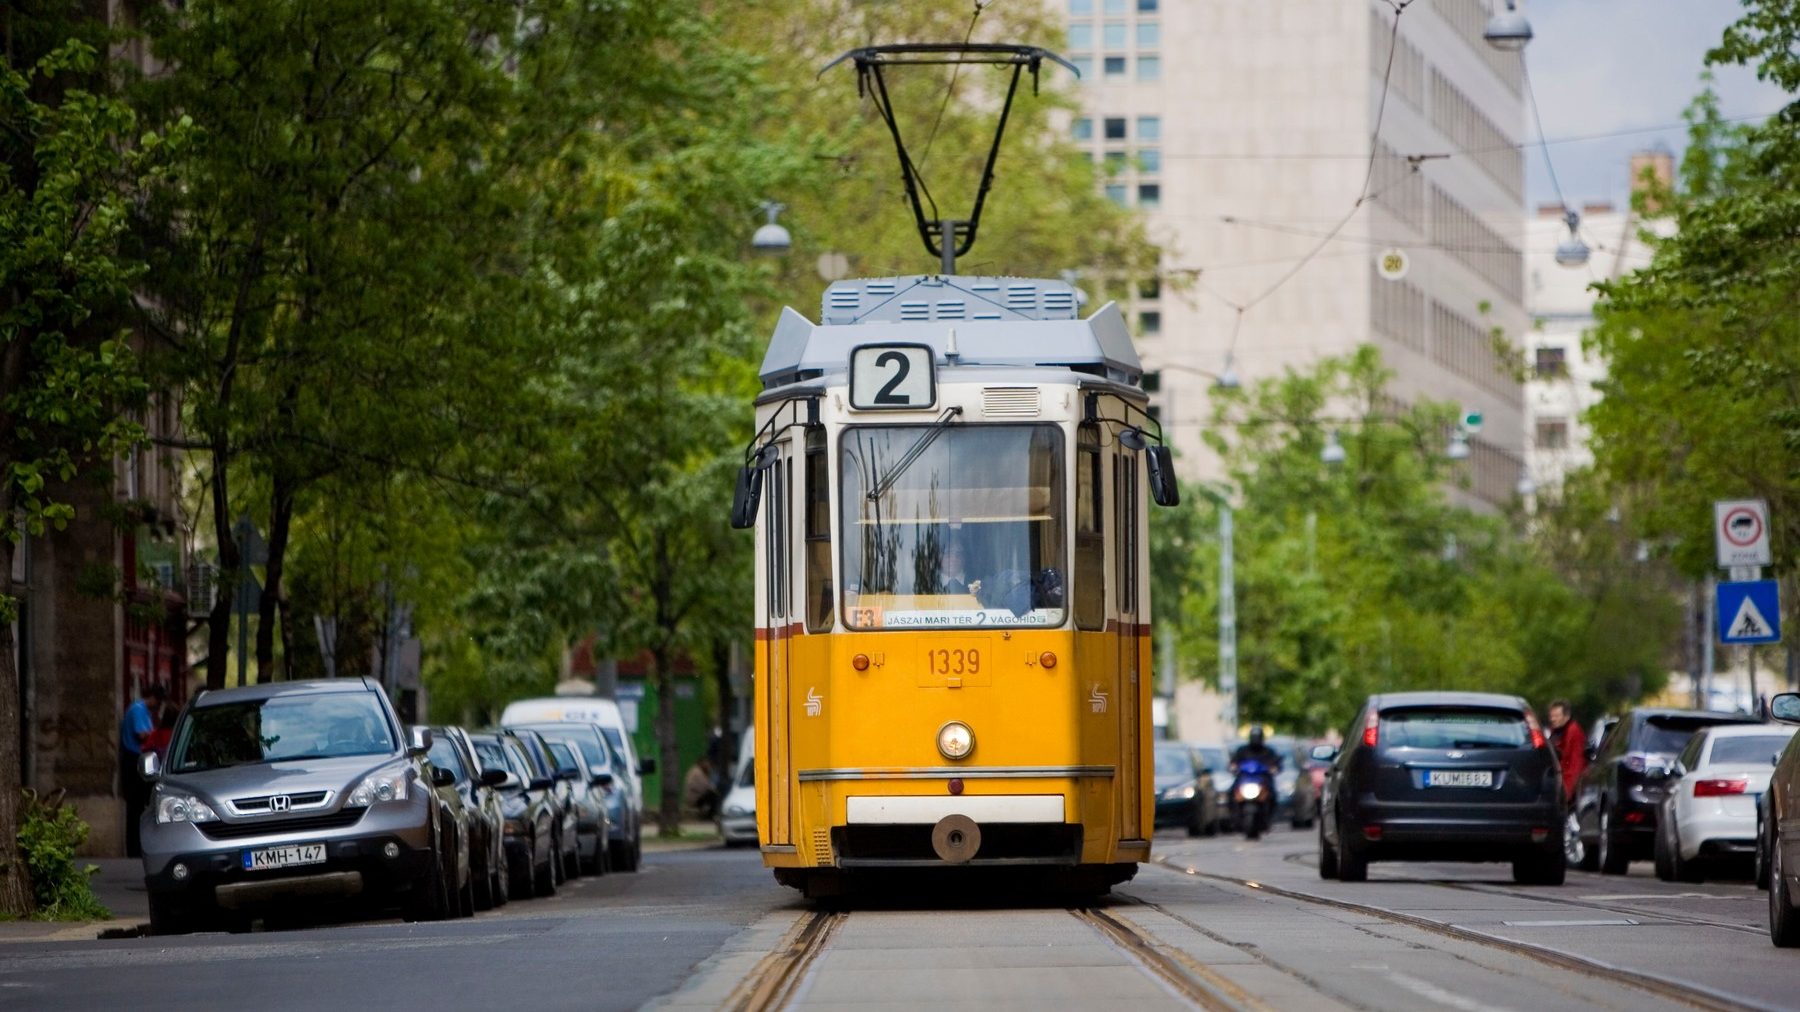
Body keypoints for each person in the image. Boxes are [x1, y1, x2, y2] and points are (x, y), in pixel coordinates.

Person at [119, 682, 166, 857]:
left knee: (140, 806)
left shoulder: (144, 711)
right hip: (134, 760)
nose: (158, 706)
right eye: (159, 702)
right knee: (136, 806)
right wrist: (156, 734)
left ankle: (137, 847)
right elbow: (142, 735)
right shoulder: (138, 709)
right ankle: (133, 849)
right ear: (153, 698)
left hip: (139, 759)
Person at [1547, 699, 1587, 801]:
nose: (1553, 719)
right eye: (1551, 716)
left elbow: (1575, 765)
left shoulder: (1574, 733)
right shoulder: (1556, 732)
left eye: (1556, 716)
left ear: (1567, 716)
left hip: (1566, 788)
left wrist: (1566, 794)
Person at [682, 756, 719, 821]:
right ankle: (710, 816)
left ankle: (710, 815)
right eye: (706, 763)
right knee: (713, 796)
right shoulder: (696, 772)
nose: (708, 764)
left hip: (698, 796)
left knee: (713, 795)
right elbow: (705, 785)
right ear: (701, 763)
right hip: (694, 798)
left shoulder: (700, 771)